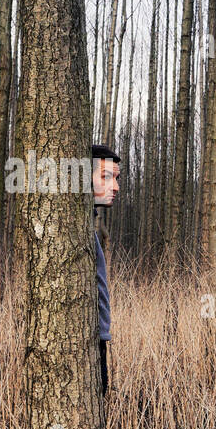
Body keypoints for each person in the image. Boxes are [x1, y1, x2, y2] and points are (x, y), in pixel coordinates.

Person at [91, 144, 121, 395]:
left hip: (97, 342)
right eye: (106, 177)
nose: (116, 187)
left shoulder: (88, 229)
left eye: (116, 178)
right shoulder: (74, 235)